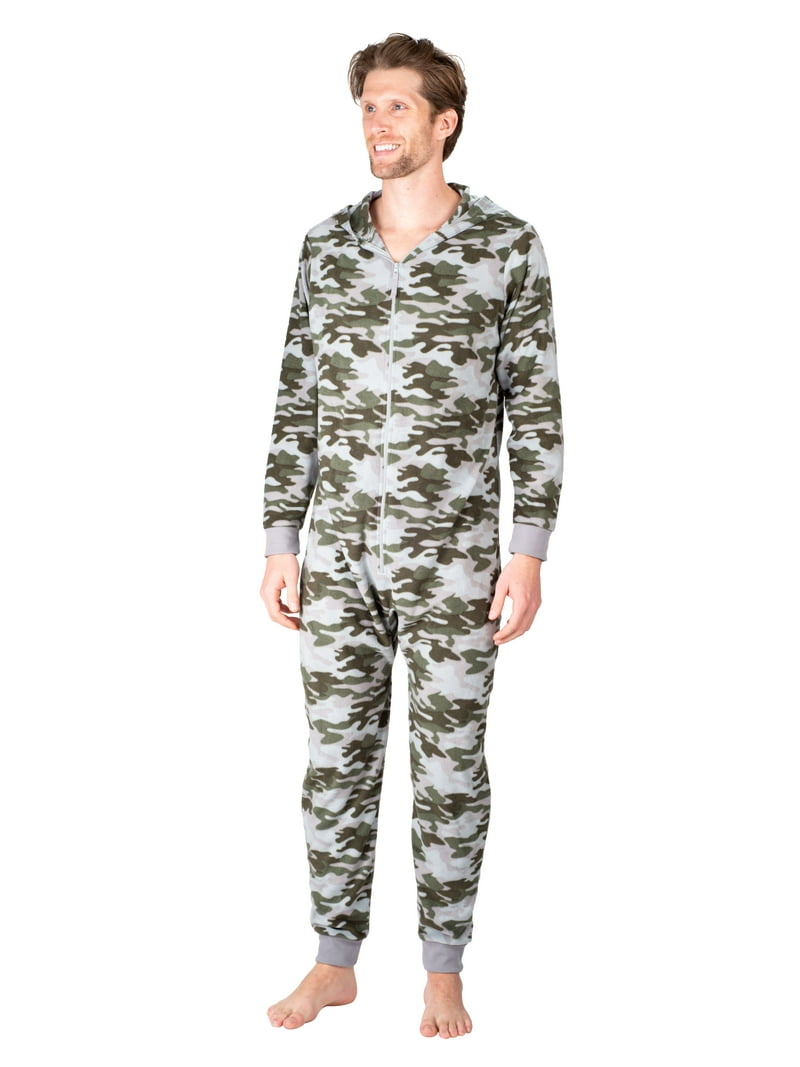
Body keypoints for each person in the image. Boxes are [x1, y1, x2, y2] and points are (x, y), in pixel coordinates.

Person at [260, 32, 563, 1039]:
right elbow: (296, 400)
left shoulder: (505, 246)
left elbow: (536, 406)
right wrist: (280, 536)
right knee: (334, 760)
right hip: (338, 555)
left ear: (444, 121)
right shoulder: (326, 246)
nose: (377, 122)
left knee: (448, 767)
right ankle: (333, 960)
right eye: (368, 105)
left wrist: (527, 549)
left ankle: (443, 970)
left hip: (455, 561)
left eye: (397, 105)